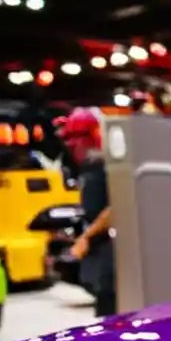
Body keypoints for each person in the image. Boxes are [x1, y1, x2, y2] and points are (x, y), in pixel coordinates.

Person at [55, 108, 116, 316]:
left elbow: (118, 207)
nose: (72, 145)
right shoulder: (90, 167)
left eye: (76, 138)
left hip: (113, 250)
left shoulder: (109, 167)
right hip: (101, 251)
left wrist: (86, 237)